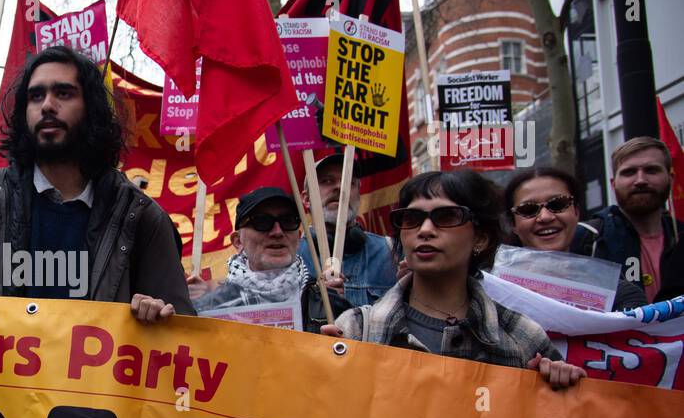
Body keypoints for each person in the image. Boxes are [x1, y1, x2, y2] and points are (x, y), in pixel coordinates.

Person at [0, 45, 193, 322]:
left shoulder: (138, 215)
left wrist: (159, 315)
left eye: (63, 93)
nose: (48, 105)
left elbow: (184, 334)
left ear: (92, 108)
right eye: (36, 96)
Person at [322, 171, 586, 389]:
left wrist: (559, 384)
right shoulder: (356, 330)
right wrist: (322, 367)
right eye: (412, 219)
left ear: (481, 238)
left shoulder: (522, 337)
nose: (425, 230)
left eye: (447, 217)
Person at [194, 187, 350, 333]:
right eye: (262, 222)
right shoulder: (206, 309)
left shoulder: (328, 304)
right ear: (238, 241)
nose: (277, 232)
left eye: (288, 221)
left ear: (299, 235)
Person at [502, 167, 647, 310]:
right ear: (512, 223)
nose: (545, 217)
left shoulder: (617, 293)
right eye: (528, 209)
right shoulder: (490, 290)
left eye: (558, 204)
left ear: (577, 211)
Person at [569, 137, 683, 302]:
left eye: (651, 170)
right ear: (613, 183)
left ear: (670, 179)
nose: (640, 180)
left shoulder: (680, 236)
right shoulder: (585, 238)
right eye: (629, 172)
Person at [297, 151, 398, 307]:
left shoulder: (392, 253)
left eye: (348, 182)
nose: (339, 187)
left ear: (359, 195)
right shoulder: (292, 259)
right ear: (306, 199)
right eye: (327, 181)